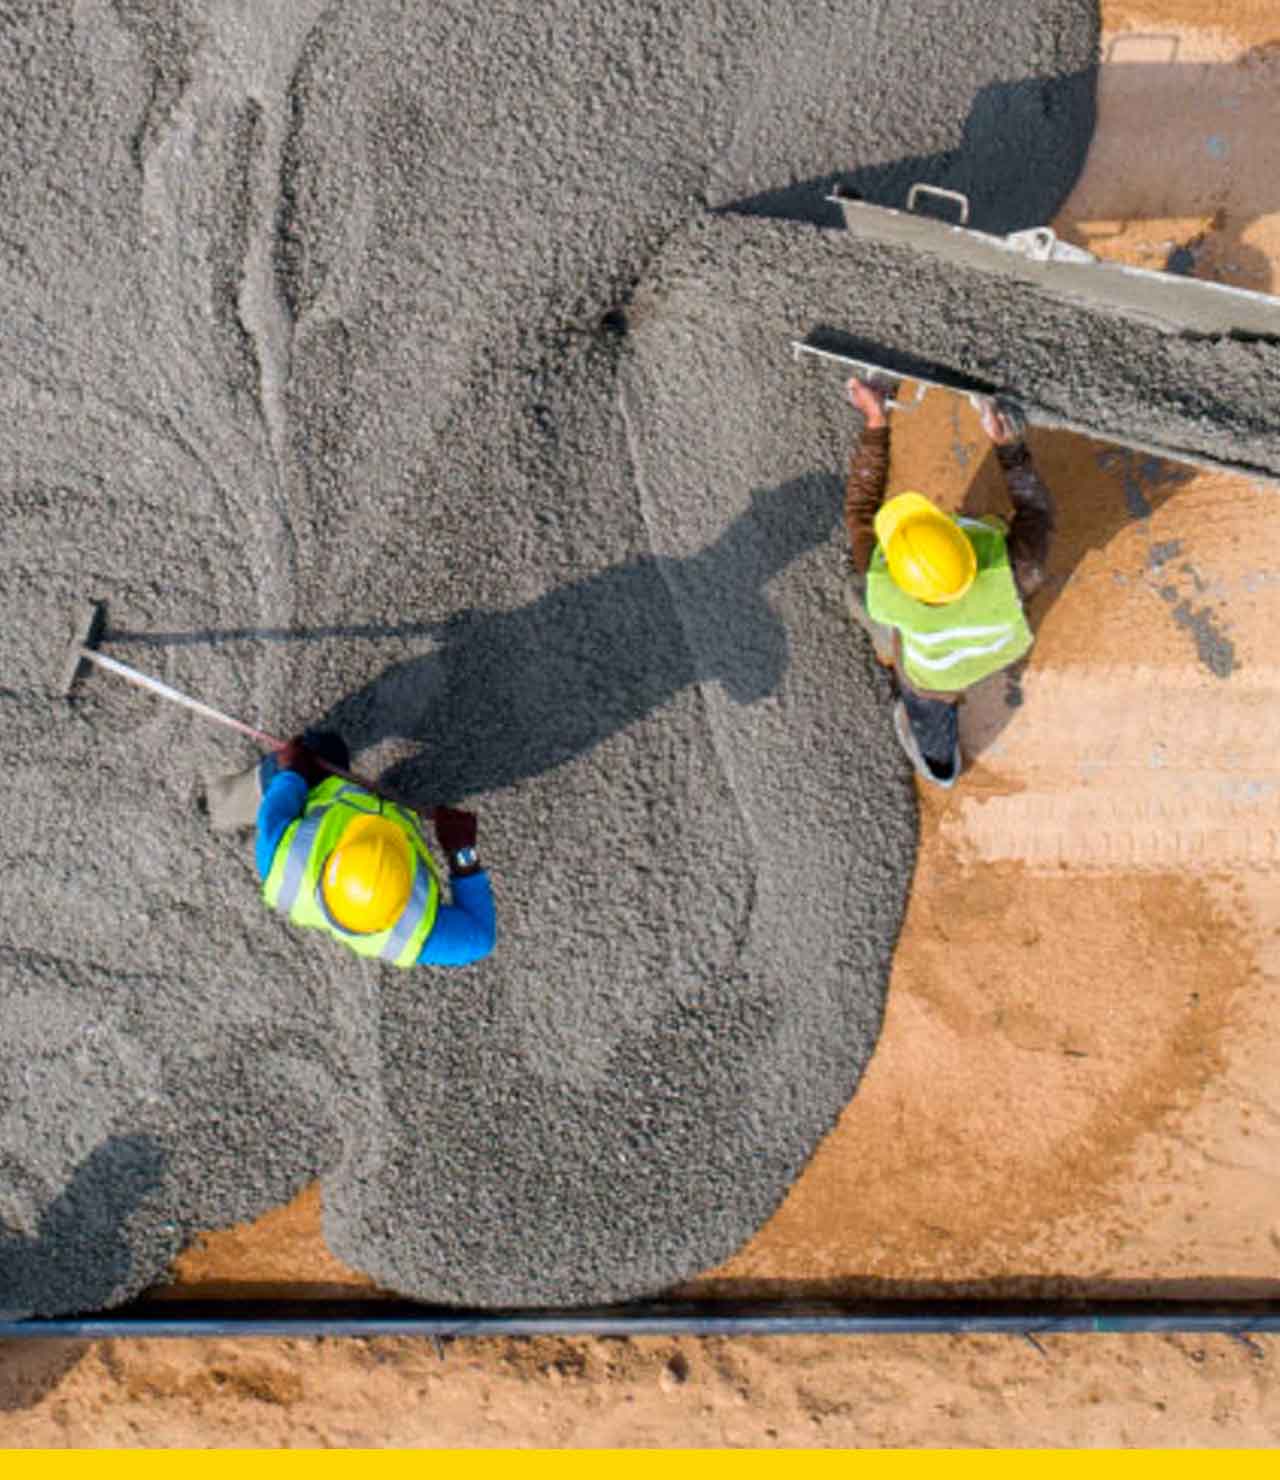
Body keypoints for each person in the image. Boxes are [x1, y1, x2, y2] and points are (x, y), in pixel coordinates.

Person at [843, 375, 1056, 786]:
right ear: (957, 541)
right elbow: (1036, 510)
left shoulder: (882, 583)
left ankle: (940, 765)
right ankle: (938, 760)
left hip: (933, 676)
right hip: (993, 647)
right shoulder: (1015, 572)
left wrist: (876, 421)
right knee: (1001, 536)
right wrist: (1008, 447)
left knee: (860, 600)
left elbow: (861, 508)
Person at [254, 731, 496, 967]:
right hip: (382, 811)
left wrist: (293, 770)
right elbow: (480, 936)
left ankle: (256, 784)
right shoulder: (409, 932)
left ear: (334, 859)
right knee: (326, 748)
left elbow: (284, 790)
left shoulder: (281, 858)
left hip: (332, 799)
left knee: (320, 748)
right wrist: (462, 853)